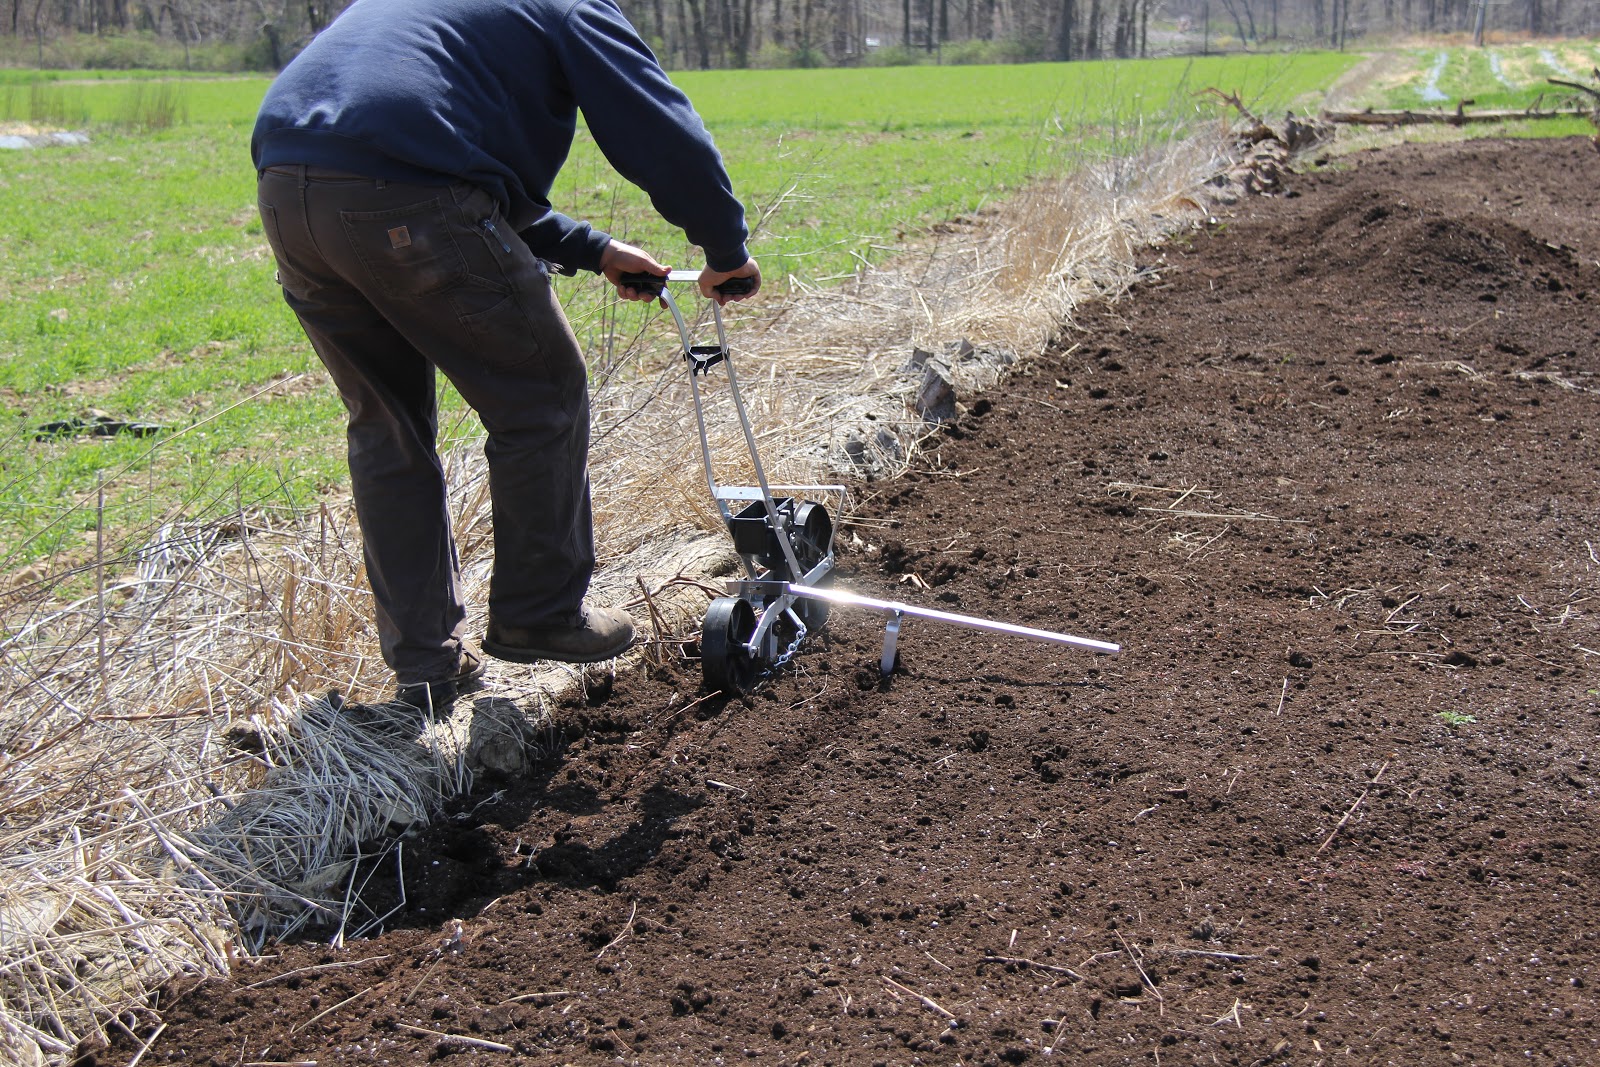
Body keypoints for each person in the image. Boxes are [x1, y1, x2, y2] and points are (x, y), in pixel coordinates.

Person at [252, 0, 760, 712]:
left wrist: (592, 248)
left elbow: (421, 137)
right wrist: (726, 249)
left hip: (289, 188)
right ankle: (541, 612)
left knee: (386, 427)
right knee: (542, 394)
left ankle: (425, 668)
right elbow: (654, 126)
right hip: (403, 191)